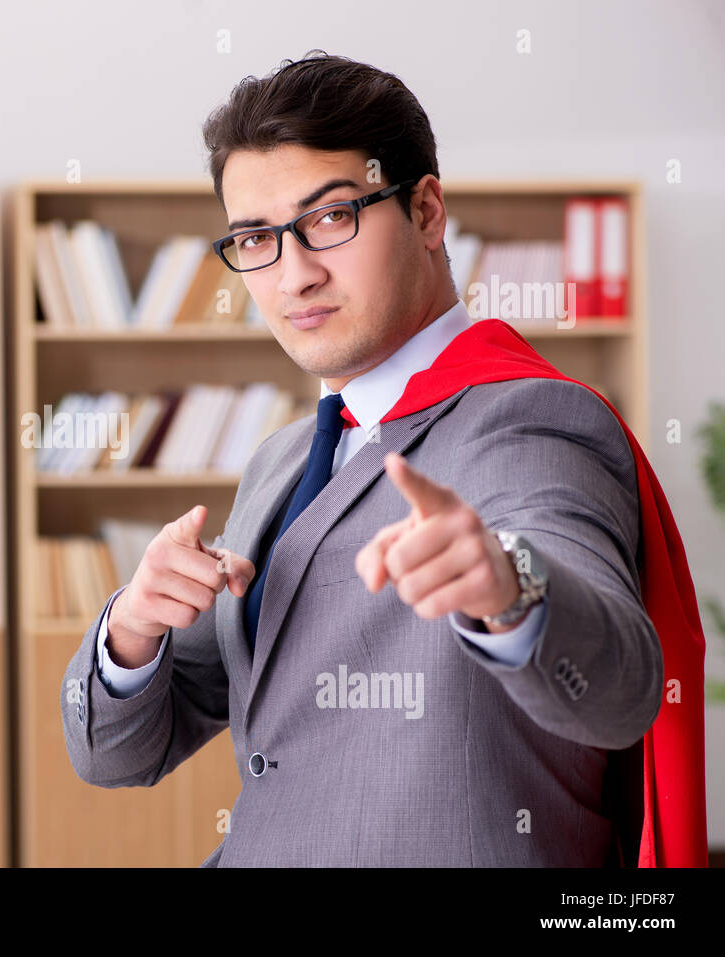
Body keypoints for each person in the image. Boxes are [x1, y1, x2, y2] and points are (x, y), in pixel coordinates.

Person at [60, 51, 706, 866]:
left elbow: (620, 688)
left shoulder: (532, 422)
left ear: (427, 211)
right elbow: (117, 755)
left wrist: (513, 590)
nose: (295, 273)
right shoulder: (281, 462)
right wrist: (132, 631)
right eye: (257, 238)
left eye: (332, 217)